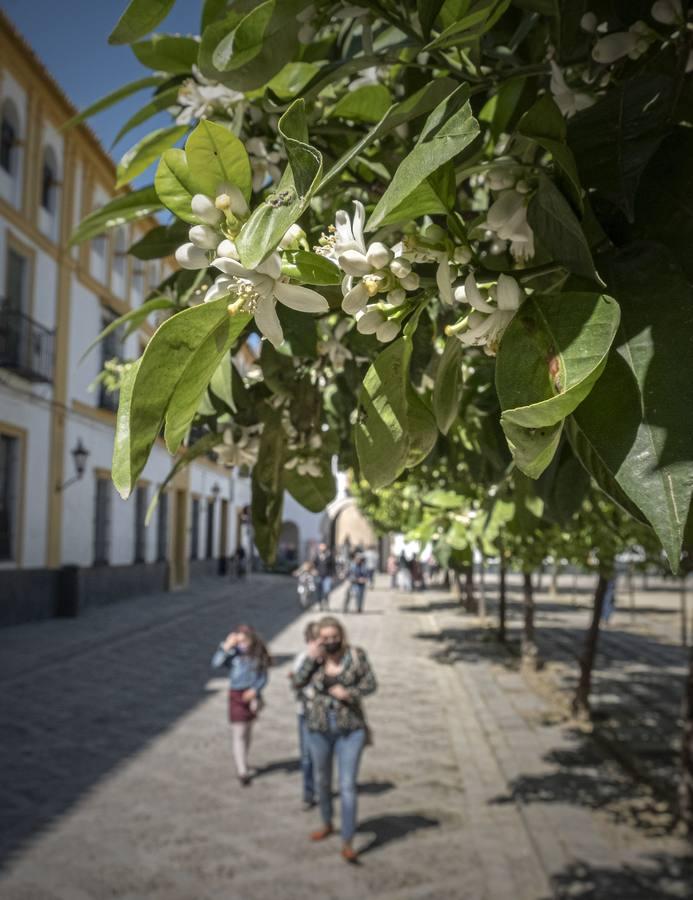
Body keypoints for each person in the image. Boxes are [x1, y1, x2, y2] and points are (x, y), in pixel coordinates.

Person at [293, 616, 377, 863]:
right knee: (322, 780)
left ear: (342, 635)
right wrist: (311, 658)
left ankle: (348, 841)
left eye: (334, 637)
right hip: (318, 728)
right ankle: (327, 822)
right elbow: (297, 683)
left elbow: (371, 684)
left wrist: (350, 693)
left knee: (347, 785)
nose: (331, 642)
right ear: (318, 638)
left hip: (350, 729)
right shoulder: (315, 659)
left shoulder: (356, 655)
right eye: (325, 638)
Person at [211, 625, 271, 786]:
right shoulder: (233, 655)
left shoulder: (258, 655)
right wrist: (226, 647)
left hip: (251, 696)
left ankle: (243, 758)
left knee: (248, 731)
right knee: (239, 732)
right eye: (240, 642)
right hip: (236, 695)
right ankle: (242, 770)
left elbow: (264, 676)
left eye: (245, 641)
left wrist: (255, 689)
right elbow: (216, 663)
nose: (242, 645)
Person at [289, 621, 319, 809]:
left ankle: (320, 788)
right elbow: (296, 685)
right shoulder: (302, 659)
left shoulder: (330, 659)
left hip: (327, 713)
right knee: (307, 755)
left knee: (323, 756)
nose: (317, 645)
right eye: (313, 641)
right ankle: (308, 792)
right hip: (306, 713)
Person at [312, 543, 335, 610]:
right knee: (319, 591)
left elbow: (333, 566)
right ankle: (320, 604)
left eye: (323, 548)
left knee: (326, 591)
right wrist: (314, 570)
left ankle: (326, 603)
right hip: (319, 575)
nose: (322, 549)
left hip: (327, 576)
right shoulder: (317, 556)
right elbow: (314, 564)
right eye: (321, 548)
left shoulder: (329, 556)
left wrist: (333, 576)